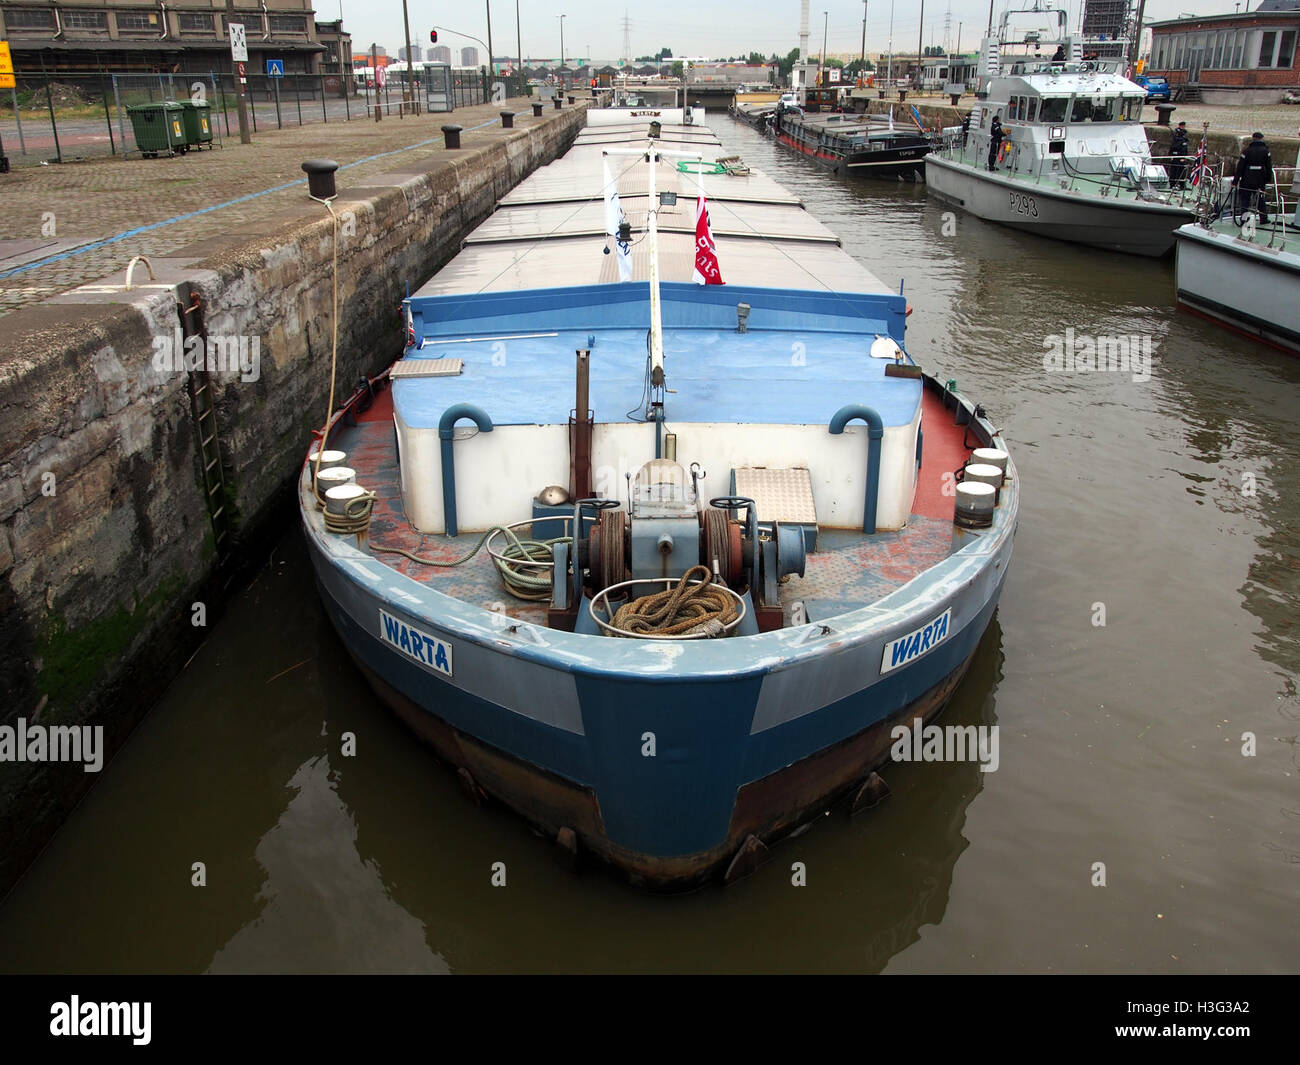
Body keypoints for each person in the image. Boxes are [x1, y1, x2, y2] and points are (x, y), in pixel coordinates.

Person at [1235, 131, 1274, 222]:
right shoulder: (1266, 151)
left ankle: (1244, 219)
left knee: (1245, 199)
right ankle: (1263, 218)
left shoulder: (1247, 151)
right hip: (1260, 179)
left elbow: (1240, 167)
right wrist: (1268, 178)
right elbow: (1269, 167)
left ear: (1253, 139)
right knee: (1260, 199)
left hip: (1247, 178)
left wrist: (1235, 181)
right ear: (1261, 139)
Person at [1168, 121, 1189, 189]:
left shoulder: (1184, 135)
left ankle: (1182, 184)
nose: (1183, 127)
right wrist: (1171, 156)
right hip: (1176, 156)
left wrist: (1184, 157)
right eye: (1182, 126)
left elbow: (1184, 148)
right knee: (1174, 171)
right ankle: (1172, 184)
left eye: (1184, 126)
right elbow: (1173, 146)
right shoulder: (1177, 135)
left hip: (1182, 156)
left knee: (1181, 171)